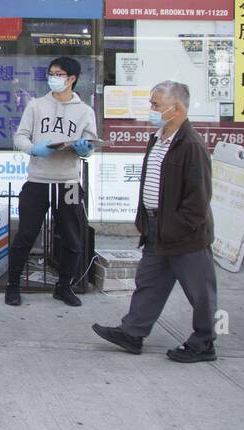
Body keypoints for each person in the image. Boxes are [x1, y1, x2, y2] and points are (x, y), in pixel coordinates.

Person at [93, 81, 219, 363]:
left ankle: (203, 343)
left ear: (177, 108)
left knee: (200, 291)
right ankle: (132, 332)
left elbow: (198, 198)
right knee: (148, 283)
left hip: (185, 234)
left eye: (156, 105)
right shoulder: (159, 138)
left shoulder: (191, 145)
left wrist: (177, 226)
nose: (151, 110)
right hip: (155, 229)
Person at [4, 56, 99, 307]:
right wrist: (35, 149)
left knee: (71, 237)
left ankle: (64, 286)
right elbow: (20, 137)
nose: (54, 78)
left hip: (68, 182)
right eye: (51, 73)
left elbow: (90, 147)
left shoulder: (85, 111)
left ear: (72, 79)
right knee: (26, 234)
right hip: (38, 181)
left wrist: (82, 148)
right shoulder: (36, 106)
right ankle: (13, 285)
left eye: (59, 74)